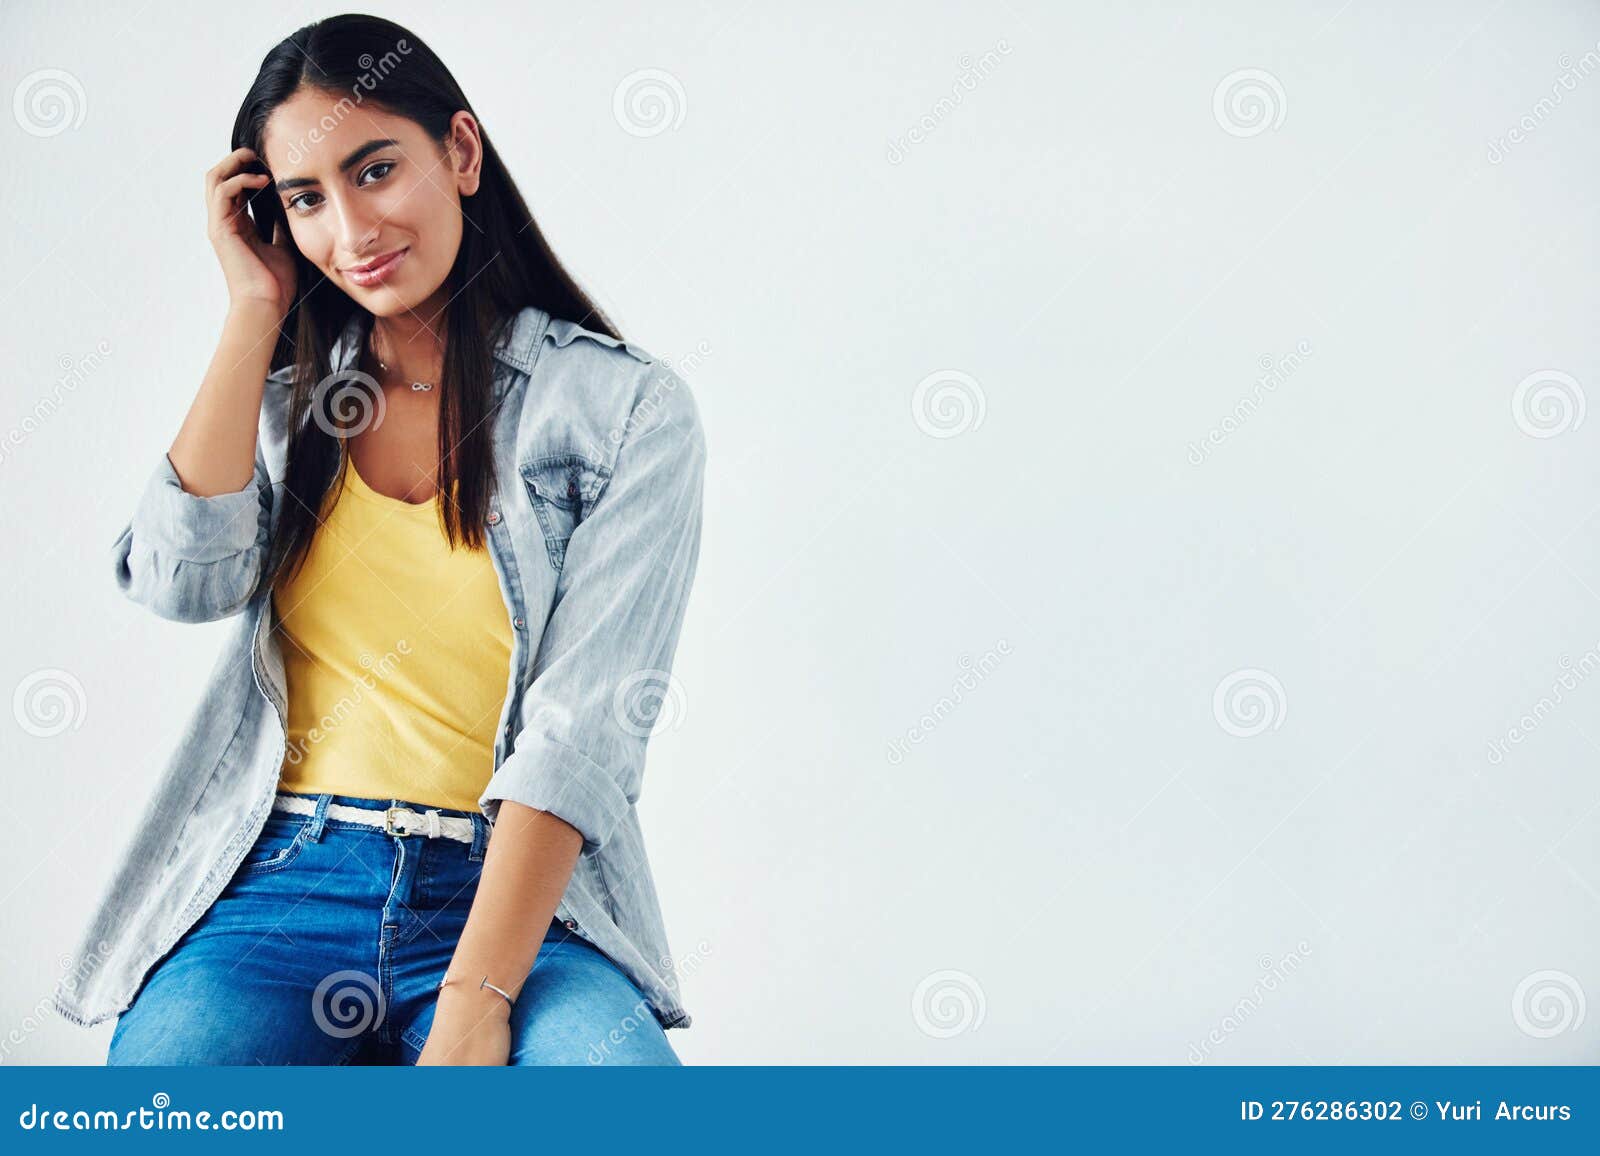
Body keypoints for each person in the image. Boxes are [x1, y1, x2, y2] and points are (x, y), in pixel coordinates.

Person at [50, 13, 706, 1066]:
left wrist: (479, 994)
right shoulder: (285, 399)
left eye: (376, 170)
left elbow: (582, 735)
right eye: (307, 197)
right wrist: (252, 309)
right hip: (284, 880)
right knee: (155, 1104)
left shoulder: (625, 412)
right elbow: (180, 581)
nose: (351, 228)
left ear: (459, 150)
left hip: (517, 901)